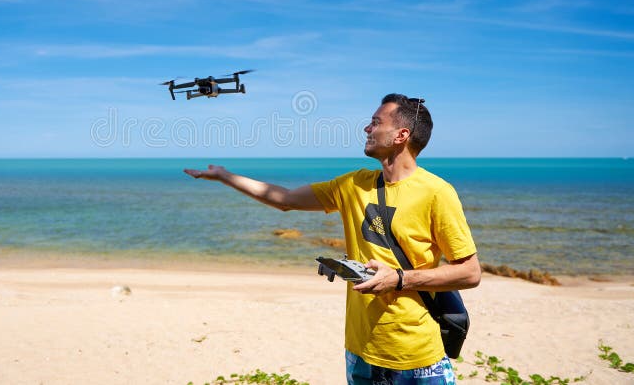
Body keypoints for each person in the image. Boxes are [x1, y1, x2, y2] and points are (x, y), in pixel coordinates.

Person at [184, 93, 480, 385]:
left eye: (376, 122)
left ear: (402, 134)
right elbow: (284, 198)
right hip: (360, 351)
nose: (367, 128)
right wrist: (225, 176)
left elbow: (469, 272)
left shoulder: (437, 193)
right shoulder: (352, 184)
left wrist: (399, 279)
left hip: (417, 359)